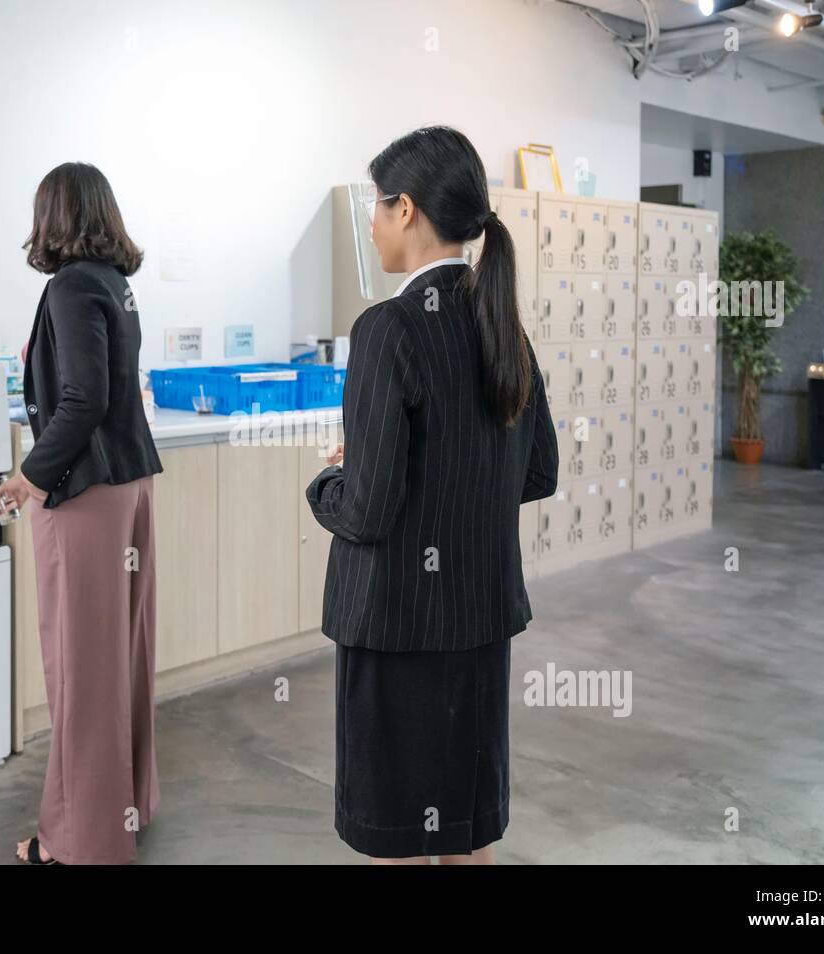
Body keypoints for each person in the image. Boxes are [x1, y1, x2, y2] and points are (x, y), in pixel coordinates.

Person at [306, 126, 558, 865]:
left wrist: (329, 483)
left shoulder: (388, 328)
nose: (373, 223)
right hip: (479, 620)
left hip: (397, 627)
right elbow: (536, 472)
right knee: (464, 833)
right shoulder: (499, 320)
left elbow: (369, 510)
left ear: (406, 210)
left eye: (377, 207)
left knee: (397, 839)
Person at [0, 162, 163, 865]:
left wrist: (28, 476)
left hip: (85, 494)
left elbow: (82, 399)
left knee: (80, 673)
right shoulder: (114, 283)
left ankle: (79, 842)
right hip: (130, 485)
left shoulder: (68, 285)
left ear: (53, 216)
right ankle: (128, 809)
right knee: (122, 660)